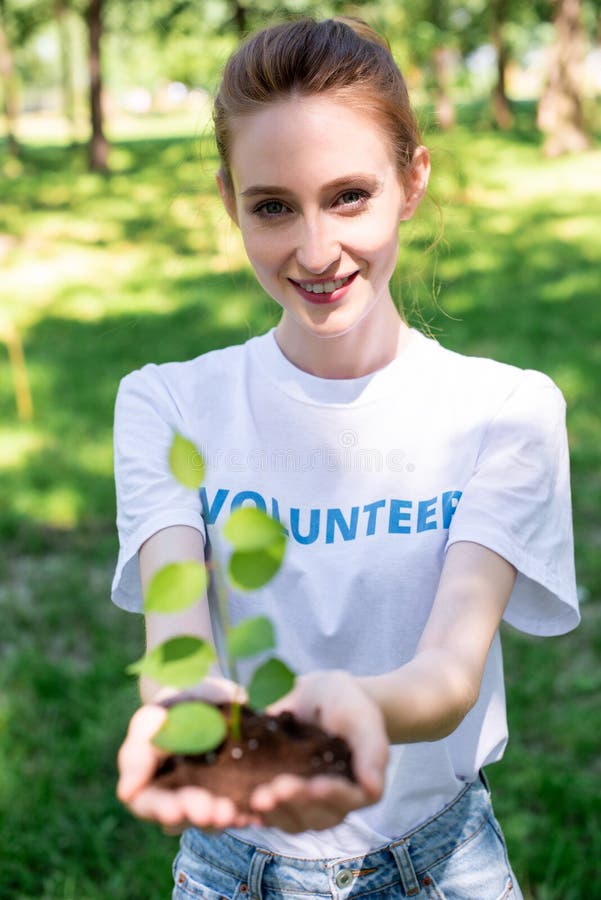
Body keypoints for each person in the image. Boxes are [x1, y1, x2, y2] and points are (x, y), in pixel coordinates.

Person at [112, 16, 580, 899]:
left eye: (349, 196)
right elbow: (179, 645)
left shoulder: (507, 412)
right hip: (229, 871)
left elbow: (446, 676)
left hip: (442, 864)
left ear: (413, 181)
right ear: (229, 200)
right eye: (273, 207)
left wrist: (357, 707)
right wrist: (190, 710)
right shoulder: (166, 404)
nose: (316, 250)